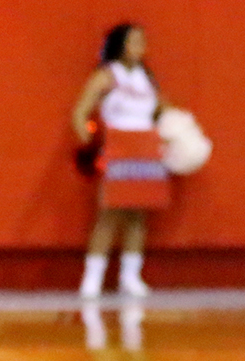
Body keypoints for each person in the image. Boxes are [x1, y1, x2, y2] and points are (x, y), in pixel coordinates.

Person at [71, 23, 175, 298]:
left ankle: (130, 277)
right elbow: (80, 112)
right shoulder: (107, 75)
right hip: (117, 149)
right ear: (120, 44)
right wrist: (90, 145)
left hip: (145, 150)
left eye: (143, 41)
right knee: (110, 213)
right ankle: (92, 278)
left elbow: (163, 111)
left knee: (138, 214)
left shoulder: (146, 78)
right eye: (134, 41)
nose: (140, 46)